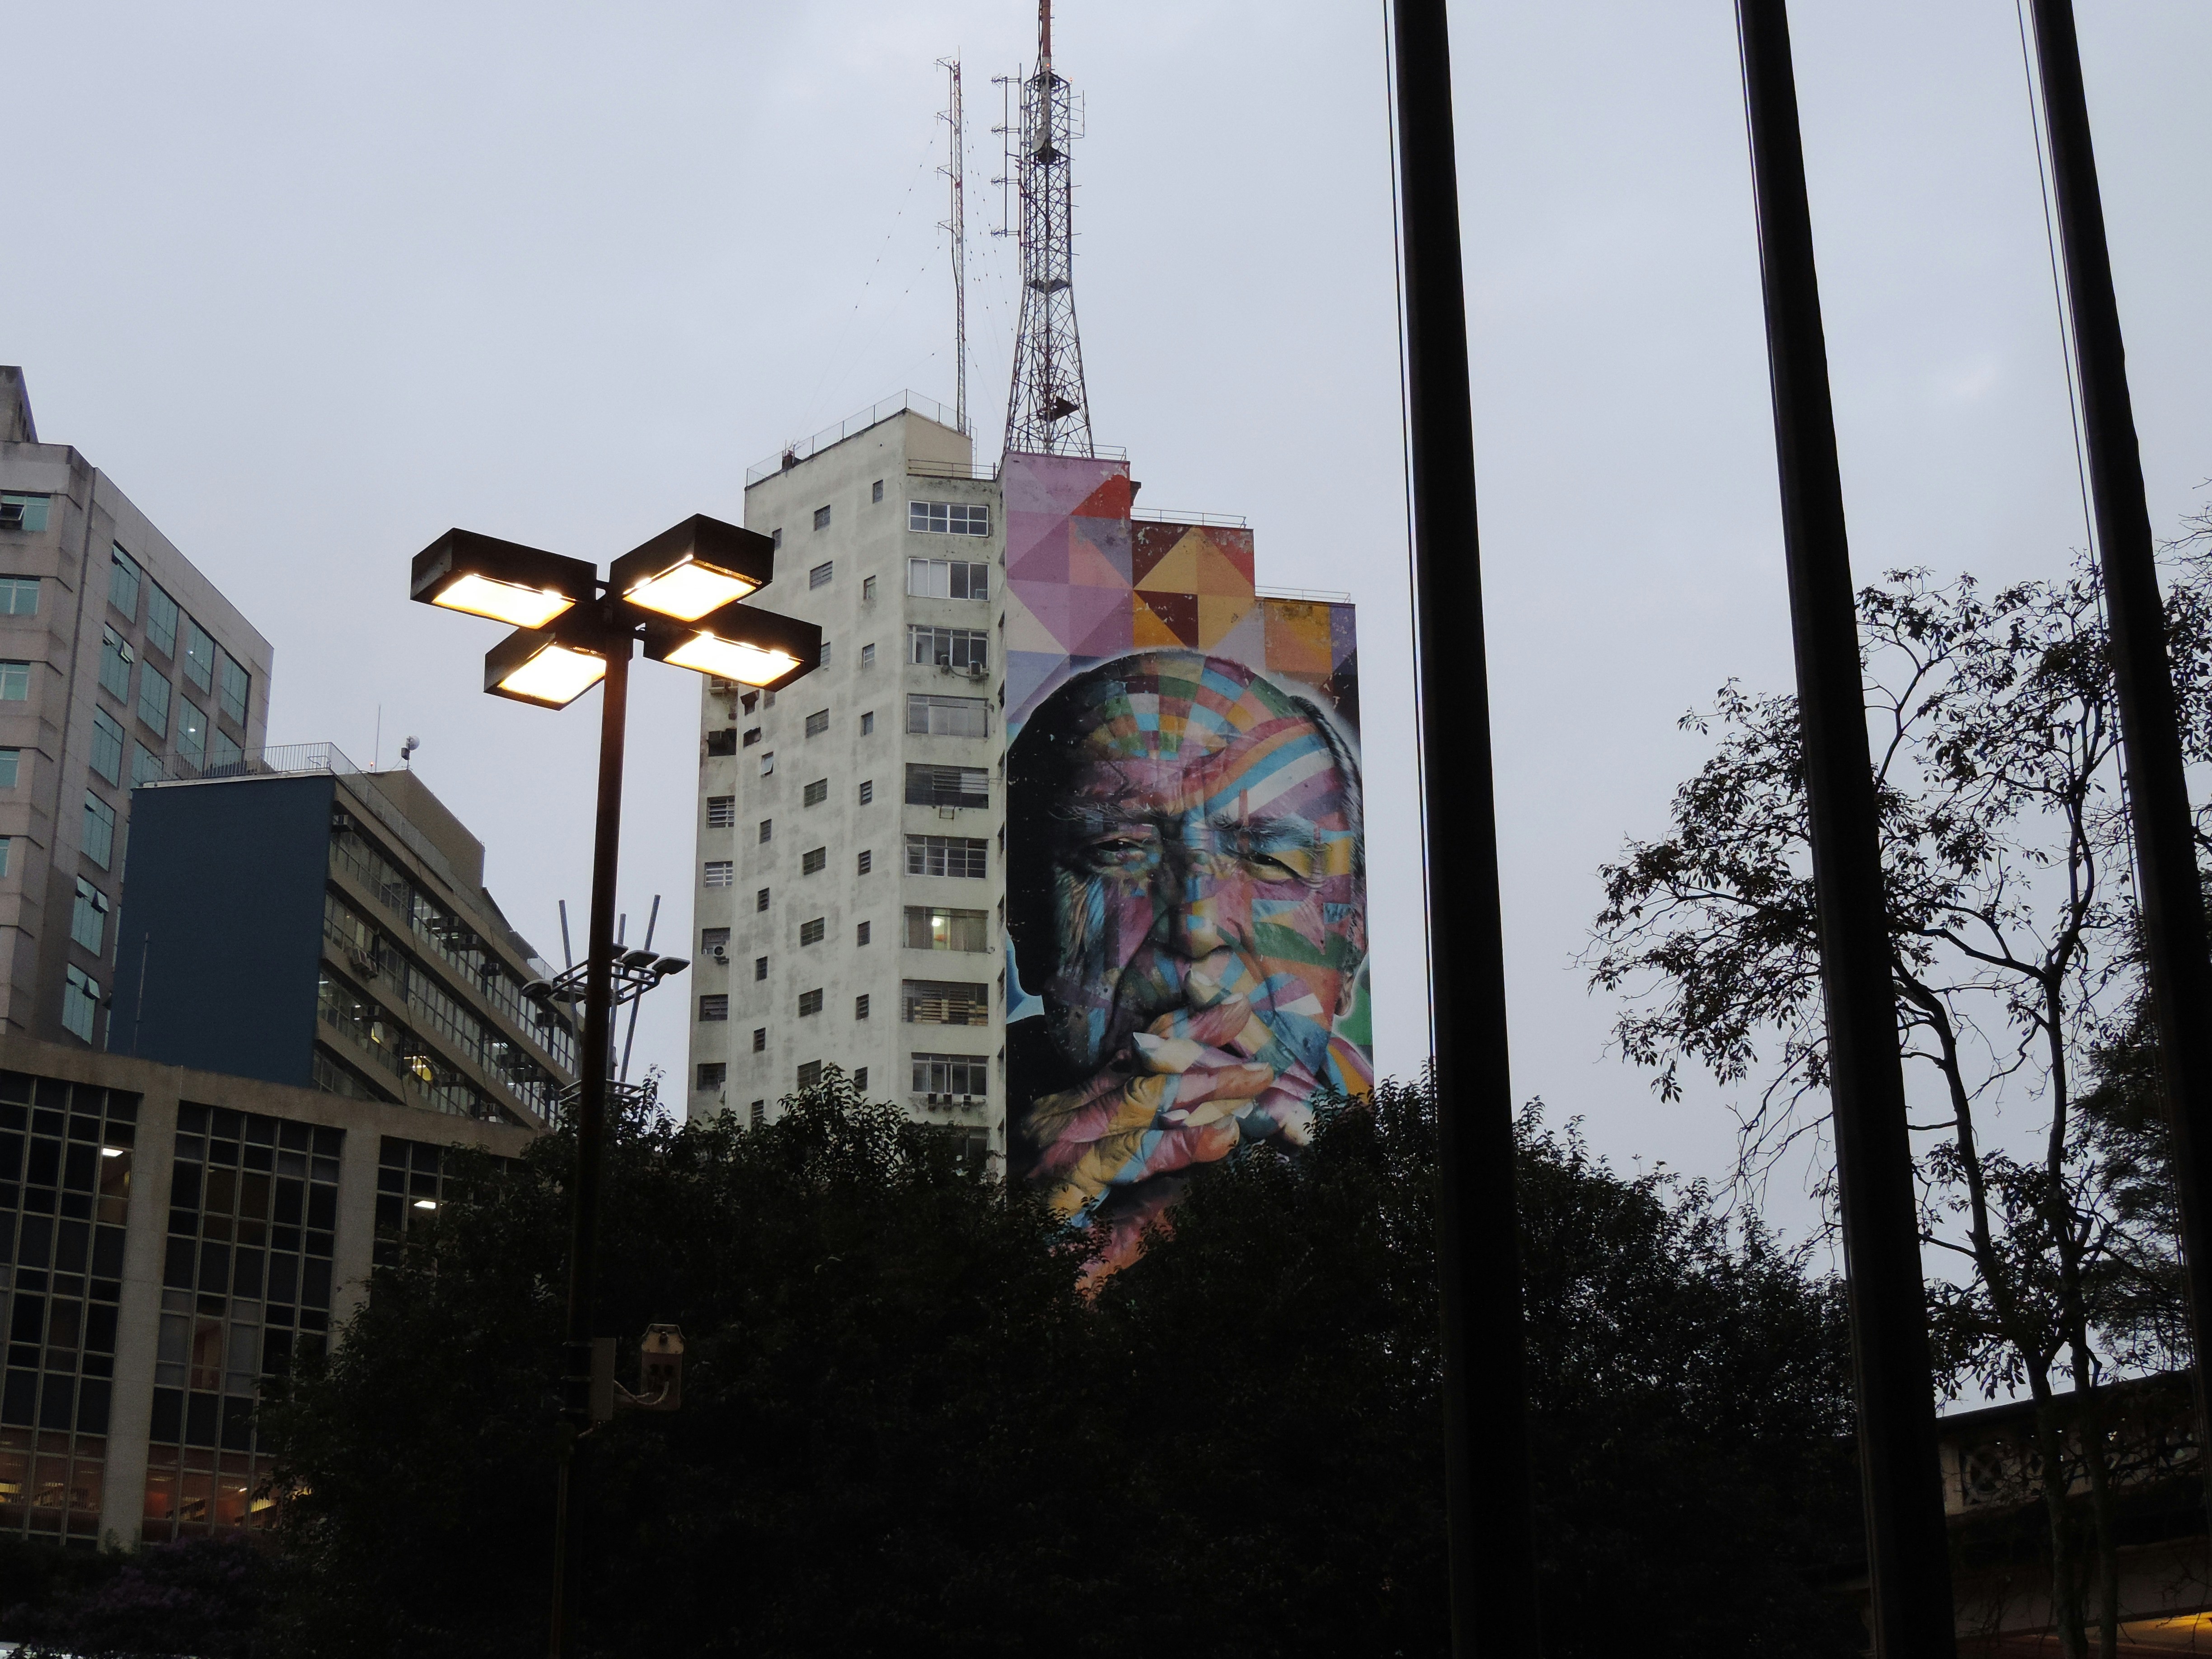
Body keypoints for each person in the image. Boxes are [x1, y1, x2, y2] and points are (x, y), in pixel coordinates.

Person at [1005, 650, 1371, 1271]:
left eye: (1271, 862)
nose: (1197, 928)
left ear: (1351, 943)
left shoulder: (1413, 1182)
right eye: (1119, 849)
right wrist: (1024, 1242)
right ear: (1029, 926)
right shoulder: (949, 1140)